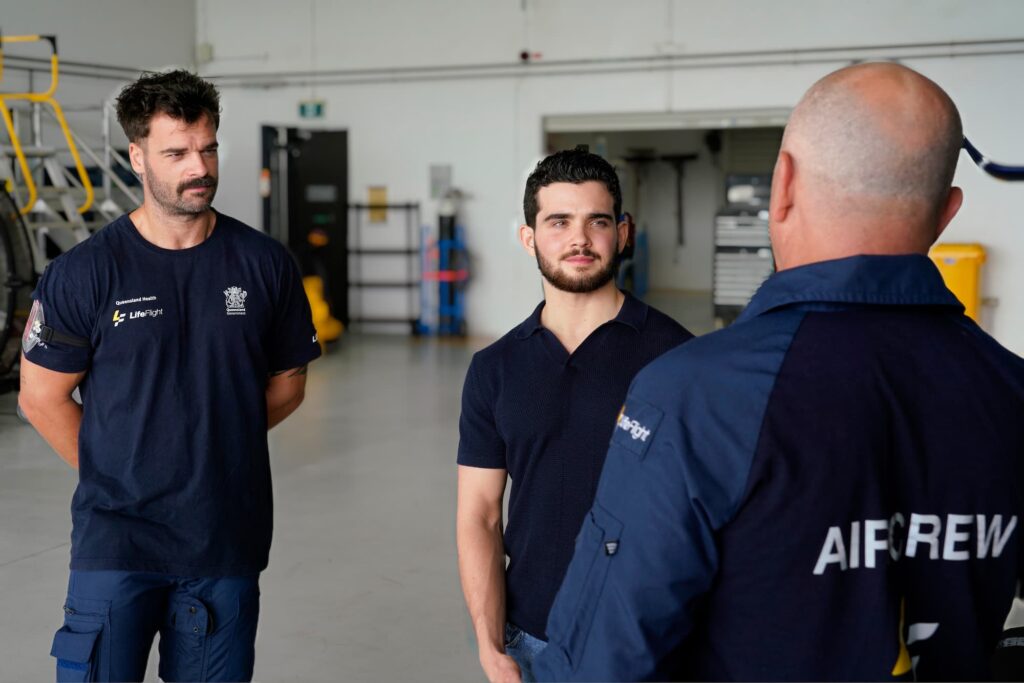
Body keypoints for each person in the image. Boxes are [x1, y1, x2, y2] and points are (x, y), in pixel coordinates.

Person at [534, 63, 1024, 681]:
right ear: (948, 210)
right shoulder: (1011, 390)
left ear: (782, 183)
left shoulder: (693, 395)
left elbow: (605, 660)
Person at [19, 70, 321, 682]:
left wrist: (216, 443)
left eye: (207, 148)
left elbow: (288, 381)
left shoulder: (264, 265)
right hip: (116, 541)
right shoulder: (85, 273)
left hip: (224, 538)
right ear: (137, 157)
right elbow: (41, 397)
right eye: (177, 152)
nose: (198, 167)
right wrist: (124, 469)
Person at [456, 149, 692, 682]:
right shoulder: (494, 369)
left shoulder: (679, 359)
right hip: (532, 638)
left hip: (648, 636)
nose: (579, 239)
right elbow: (480, 513)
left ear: (623, 232)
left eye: (597, 221)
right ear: (529, 237)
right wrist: (490, 645)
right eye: (558, 222)